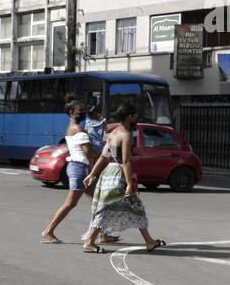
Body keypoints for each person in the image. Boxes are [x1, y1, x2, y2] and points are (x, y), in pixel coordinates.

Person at [81, 102, 167, 254]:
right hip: (119, 175)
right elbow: (126, 161)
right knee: (108, 209)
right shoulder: (126, 135)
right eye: (135, 115)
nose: (136, 118)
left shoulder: (113, 132)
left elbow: (104, 156)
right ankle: (89, 242)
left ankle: (149, 241)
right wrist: (128, 183)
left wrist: (92, 174)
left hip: (109, 173)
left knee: (134, 207)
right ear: (129, 116)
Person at [41, 100, 99, 243]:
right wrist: (103, 154)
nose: (83, 112)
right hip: (79, 168)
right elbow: (88, 152)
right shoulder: (77, 129)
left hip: (78, 167)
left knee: (96, 202)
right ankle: (48, 231)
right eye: (79, 110)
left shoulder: (73, 127)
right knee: (71, 203)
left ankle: (101, 233)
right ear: (71, 112)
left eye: (83, 109)